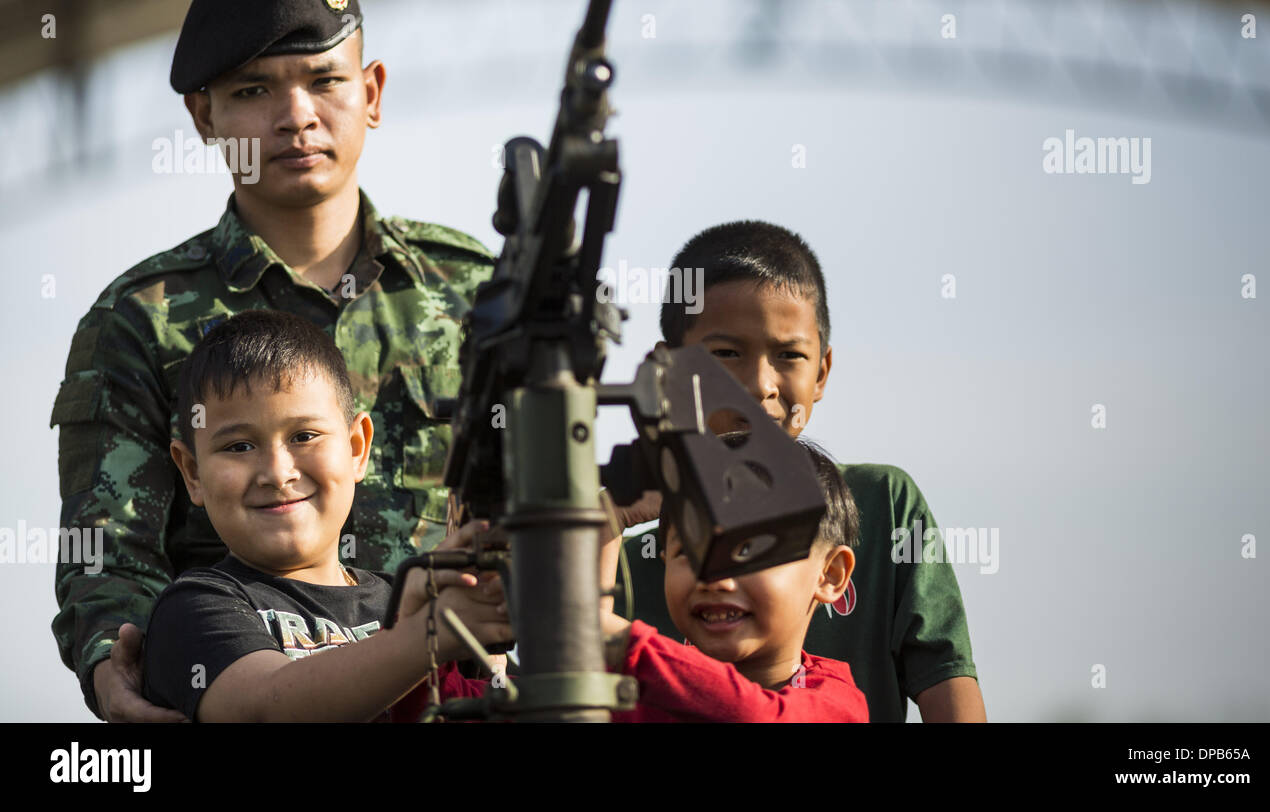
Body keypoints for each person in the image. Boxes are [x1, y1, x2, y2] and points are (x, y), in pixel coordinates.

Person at [50, 0, 495, 721]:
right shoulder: (140, 319)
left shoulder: (476, 294)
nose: (296, 117)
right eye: (254, 90)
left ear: (372, 91)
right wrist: (108, 671)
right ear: (203, 116)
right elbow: (108, 554)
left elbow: (536, 513)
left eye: (326, 81)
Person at [616, 220, 987, 722]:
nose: (760, 385)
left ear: (822, 373)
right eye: (725, 354)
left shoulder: (881, 504)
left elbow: (948, 684)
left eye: (789, 355)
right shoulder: (626, 545)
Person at [141, 310, 510, 721]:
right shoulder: (194, 610)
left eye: (304, 436)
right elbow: (269, 708)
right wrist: (427, 633)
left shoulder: (408, 597)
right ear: (192, 472)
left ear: (357, 448)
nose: (278, 474)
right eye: (239, 447)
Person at [427, 440, 867, 722]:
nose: (713, 576)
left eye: (748, 551)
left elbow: (751, 715)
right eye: (688, 551)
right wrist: (431, 628)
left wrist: (610, 635)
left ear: (830, 575)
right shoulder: (636, 698)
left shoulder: (834, 703)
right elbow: (451, 708)